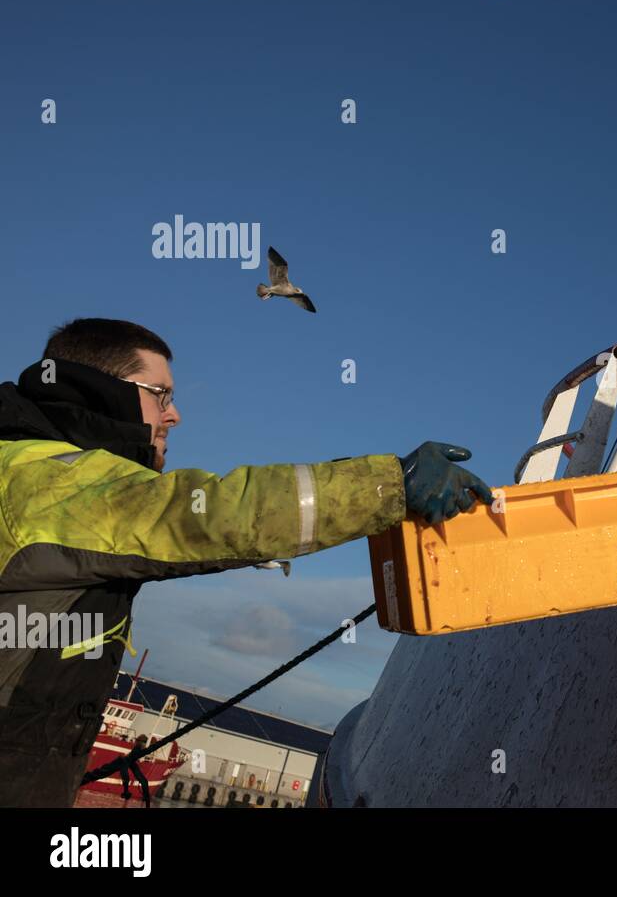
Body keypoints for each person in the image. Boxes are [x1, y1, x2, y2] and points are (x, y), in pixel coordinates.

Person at [0, 318, 492, 806]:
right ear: (105, 390)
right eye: (161, 394)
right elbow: (210, 514)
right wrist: (387, 485)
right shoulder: (44, 482)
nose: (174, 415)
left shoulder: (34, 469)